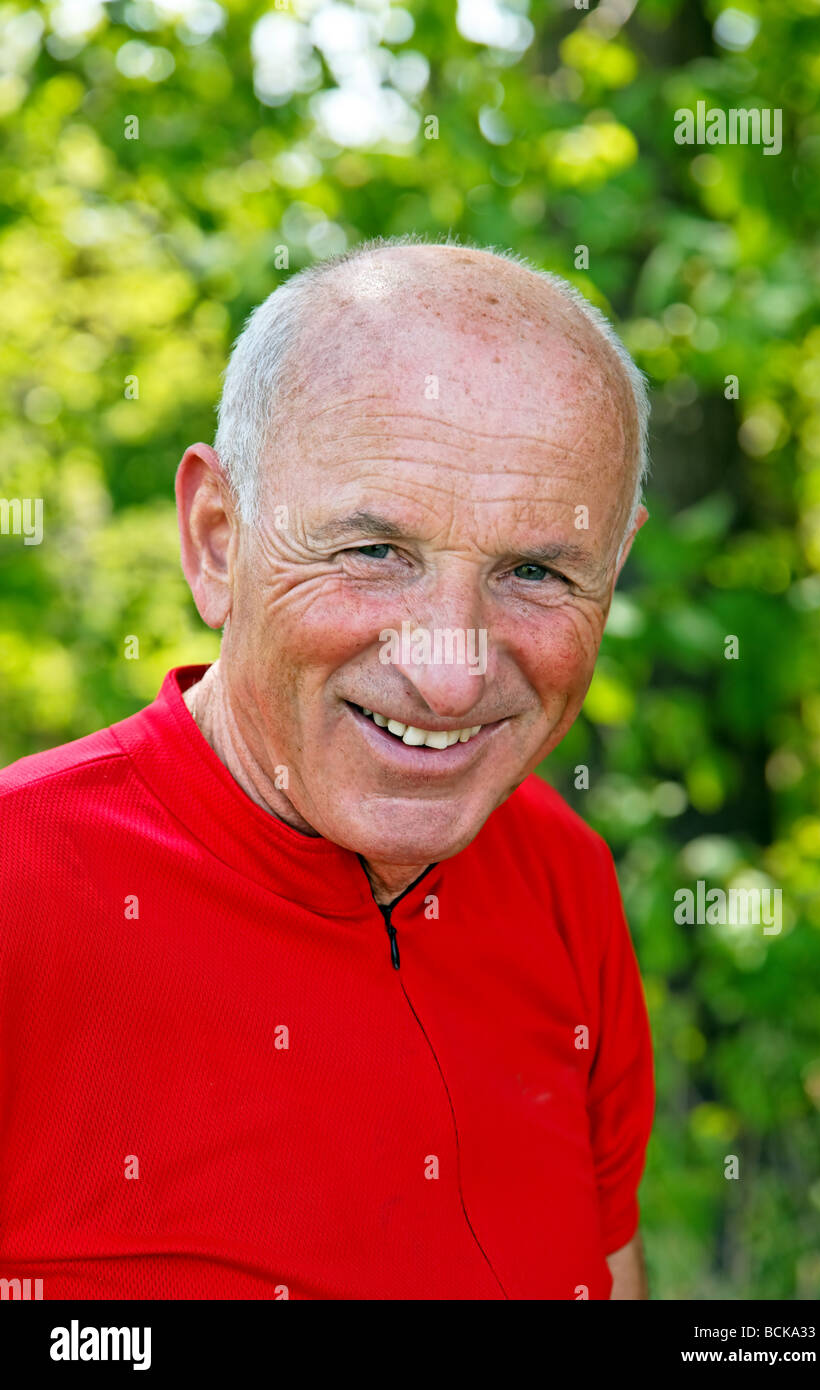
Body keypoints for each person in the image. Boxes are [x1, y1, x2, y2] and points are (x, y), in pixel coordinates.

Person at [0, 238, 654, 1300]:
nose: (449, 677)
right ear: (217, 539)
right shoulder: (20, 882)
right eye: (372, 552)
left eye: (533, 571)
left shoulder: (559, 876)